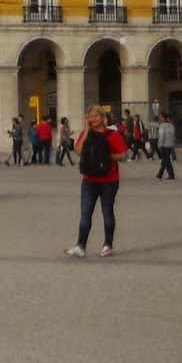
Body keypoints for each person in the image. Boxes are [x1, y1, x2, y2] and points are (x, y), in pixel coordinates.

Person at [66, 107, 129, 259]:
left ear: (102, 117)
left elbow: (124, 155)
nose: (92, 119)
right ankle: (81, 246)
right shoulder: (86, 133)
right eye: (90, 116)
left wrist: (107, 157)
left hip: (109, 180)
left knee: (107, 212)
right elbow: (78, 151)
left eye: (95, 116)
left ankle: (108, 244)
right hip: (89, 180)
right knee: (85, 213)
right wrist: (87, 131)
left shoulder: (113, 135)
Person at [154, 110, 177, 180]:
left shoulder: (162, 126)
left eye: (160, 117)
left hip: (164, 145)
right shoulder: (171, 125)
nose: (160, 119)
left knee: (166, 160)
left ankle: (170, 174)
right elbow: (173, 136)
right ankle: (160, 174)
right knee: (165, 160)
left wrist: (159, 145)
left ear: (163, 118)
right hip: (170, 144)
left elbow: (161, 136)